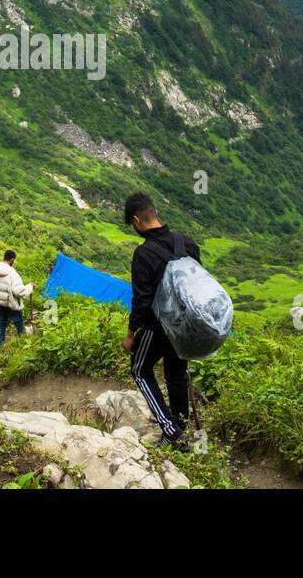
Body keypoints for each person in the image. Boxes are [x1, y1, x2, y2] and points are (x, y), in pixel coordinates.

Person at [123, 192, 198, 449]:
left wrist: (132, 334)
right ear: (155, 213)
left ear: (136, 221)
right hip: (186, 326)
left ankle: (171, 432)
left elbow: (142, 301)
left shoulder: (143, 254)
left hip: (158, 327)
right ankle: (180, 426)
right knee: (176, 373)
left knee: (140, 369)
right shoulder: (186, 243)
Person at [0, 250, 34, 346]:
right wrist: (30, 287)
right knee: (20, 325)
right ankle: (25, 344)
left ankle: (0, 346)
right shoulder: (13, 274)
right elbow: (19, 292)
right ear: (12, 259)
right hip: (11, 304)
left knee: (1, 324)